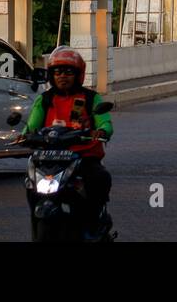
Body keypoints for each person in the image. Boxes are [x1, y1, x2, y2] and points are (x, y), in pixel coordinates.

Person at [20, 47, 113, 225]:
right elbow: (32, 125)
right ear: (52, 75)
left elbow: (105, 122)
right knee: (31, 184)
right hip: (49, 158)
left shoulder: (91, 98)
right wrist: (24, 136)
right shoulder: (45, 99)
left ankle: (94, 221)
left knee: (100, 178)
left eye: (68, 72)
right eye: (58, 72)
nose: (63, 76)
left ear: (78, 74)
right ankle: (36, 223)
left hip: (83, 156)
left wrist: (101, 131)